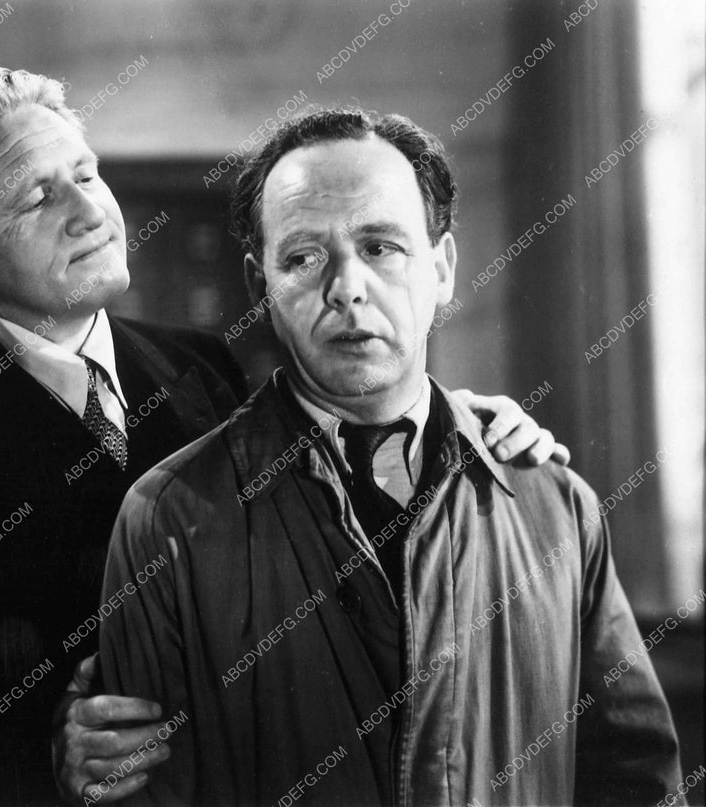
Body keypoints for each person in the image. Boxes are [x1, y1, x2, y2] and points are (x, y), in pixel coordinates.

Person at [0, 70, 564, 806]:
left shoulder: (204, 366)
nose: (88, 211)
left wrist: (460, 424)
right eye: (36, 199)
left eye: (84, 175)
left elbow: (333, 463)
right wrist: (39, 756)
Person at [97, 109, 682, 806]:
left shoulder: (555, 505)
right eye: (304, 258)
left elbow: (635, 778)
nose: (347, 287)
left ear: (442, 268)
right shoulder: (167, 519)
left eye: (380, 247)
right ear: (260, 287)